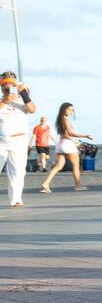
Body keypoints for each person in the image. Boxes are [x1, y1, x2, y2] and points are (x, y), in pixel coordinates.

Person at [0, 73, 36, 207]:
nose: (9, 90)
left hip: (19, 141)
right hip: (2, 142)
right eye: (5, 87)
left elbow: (32, 109)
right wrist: (5, 101)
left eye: (12, 86)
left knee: (18, 171)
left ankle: (16, 199)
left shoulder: (22, 101)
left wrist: (24, 94)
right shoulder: (1, 101)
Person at [39, 102, 90, 193]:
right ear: (64, 109)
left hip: (60, 144)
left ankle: (46, 184)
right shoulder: (66, 120)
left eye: (72, 110)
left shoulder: (60, 120)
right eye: (69, 110)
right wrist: (85, 136)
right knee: (76, 166)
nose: (71, 112)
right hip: (67, 144)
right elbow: (70, 133)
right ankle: (78, 186)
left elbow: (66, 134)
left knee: (58, 166)